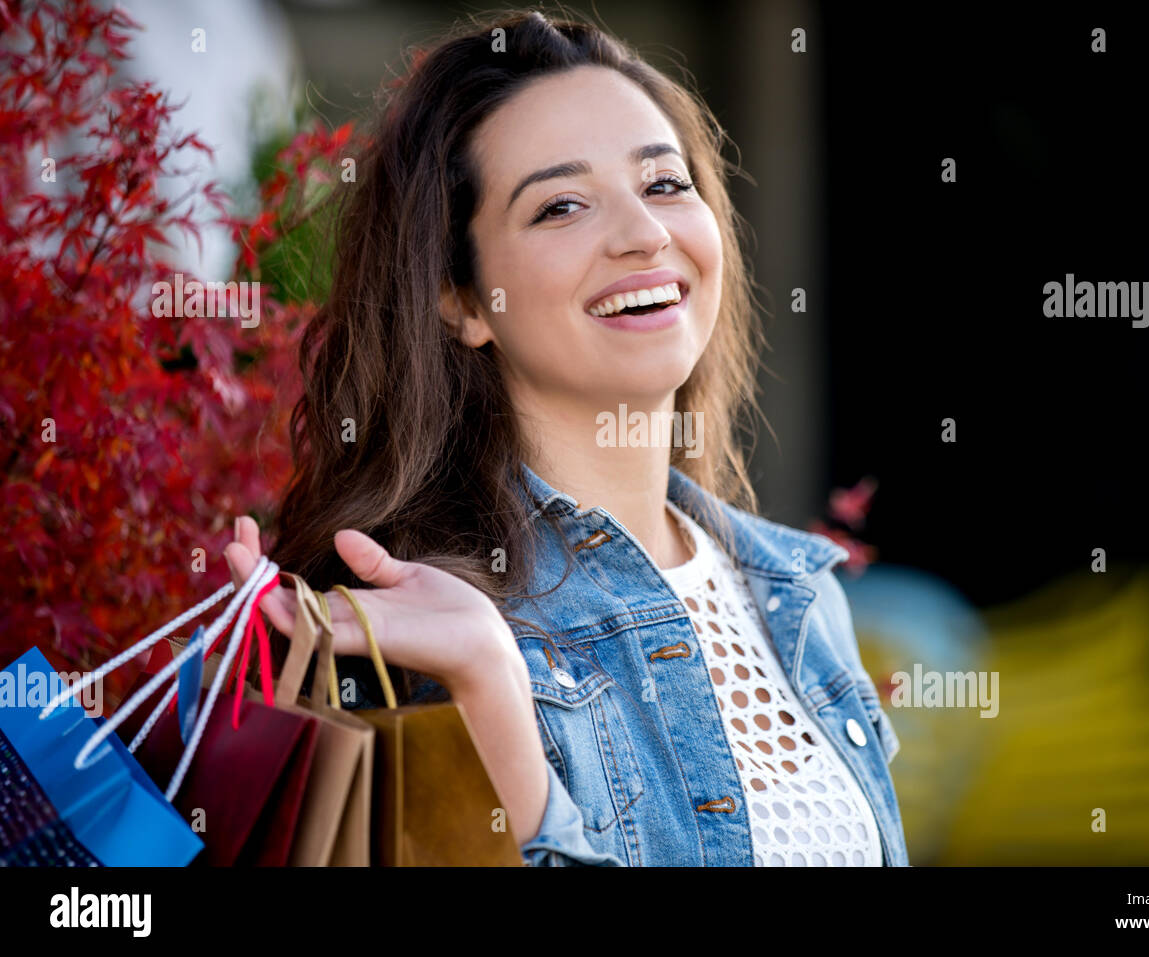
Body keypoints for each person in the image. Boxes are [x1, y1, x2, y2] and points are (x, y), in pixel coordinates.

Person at [223, 8, 907, 867]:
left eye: (664, 184)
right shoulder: (423, 630)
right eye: (562, 206)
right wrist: (490, 677)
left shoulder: (800, 595)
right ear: (462, 300)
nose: (645, 233)